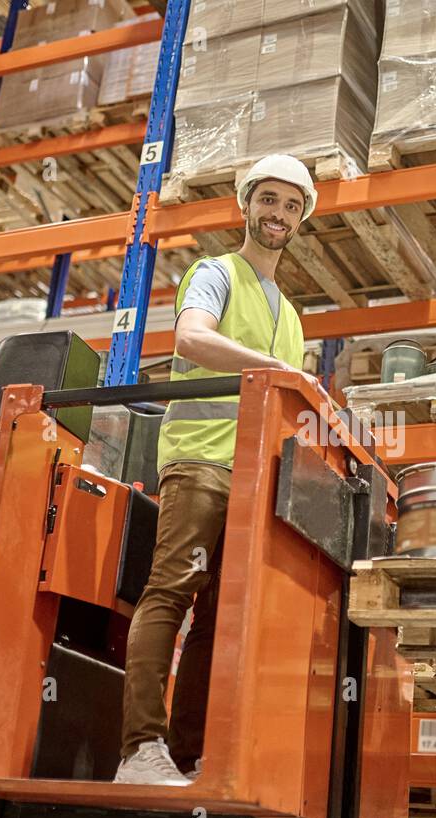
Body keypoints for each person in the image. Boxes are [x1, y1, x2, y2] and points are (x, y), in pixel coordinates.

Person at [114, 154, 318, 785]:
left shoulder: (291, 314)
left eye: (290, 205)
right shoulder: (214, 273)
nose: (277, 213)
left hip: (256, 479)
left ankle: (182, 753)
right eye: (268, 200)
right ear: (246, 205)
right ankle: (136, 751)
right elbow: (192, 339)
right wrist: (281, 372)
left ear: (301, 218)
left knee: (216, 614)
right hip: (201, 459)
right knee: (172, 591)